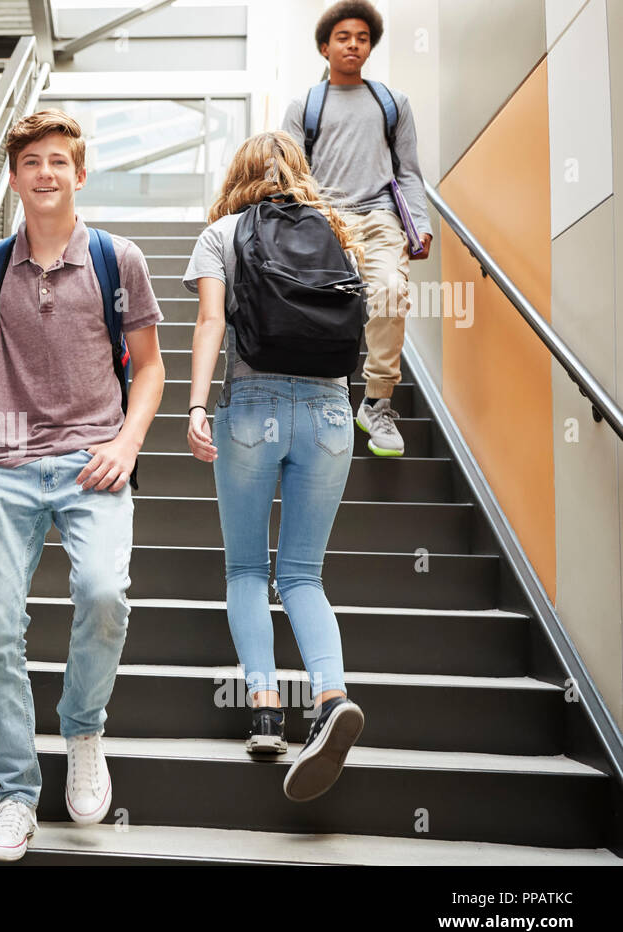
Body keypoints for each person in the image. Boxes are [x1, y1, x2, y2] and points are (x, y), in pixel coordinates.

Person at [0, 108, 165, 861]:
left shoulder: (119, 258)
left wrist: (128, 439)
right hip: (9, 464)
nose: (46, 172)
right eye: (32, 162)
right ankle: (18, 793)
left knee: (105, 596)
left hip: (95, 462)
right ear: (13, 177)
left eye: (59, 161)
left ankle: (82, 729)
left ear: (80, 174)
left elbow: (151, 368)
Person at [184, 130, 366, 802]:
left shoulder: (221, 235)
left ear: (237, 174)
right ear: (300, 174)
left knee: (245, 569)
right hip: (328, 413)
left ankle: (264, 712)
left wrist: (197, 405)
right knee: (302, 575)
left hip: (251, 408)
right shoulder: (338, 234)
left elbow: (209, 324)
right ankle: (330, 697)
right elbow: (359, 329)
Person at [282, 0, 432, 456]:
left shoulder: (392, 103)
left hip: (380, 216)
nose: (353, 45)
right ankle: (319, 401)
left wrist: (420, 223)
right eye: (343, 38)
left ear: (370, 47)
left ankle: (376, 402)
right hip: (324, 220)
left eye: (362, 38)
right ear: (324, 47)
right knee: (326, 307)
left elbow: (408, 171)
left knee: (389, 290)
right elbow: (287, 174)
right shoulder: (305, 105)